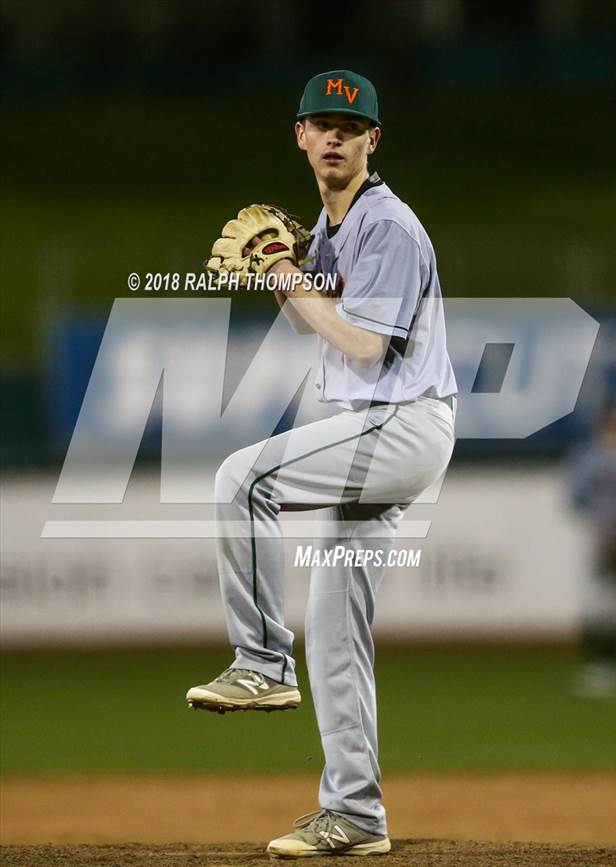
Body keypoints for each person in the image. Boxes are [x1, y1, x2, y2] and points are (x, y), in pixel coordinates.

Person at [187, 69, 457, 858]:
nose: (334, 135)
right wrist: (290, 267)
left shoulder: (389, 226)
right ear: (300, 136)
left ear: (373, 140)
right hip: (375, 427)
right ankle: (357, 812)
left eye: (350, 125)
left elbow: (364, 342)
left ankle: (260, 660)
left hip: (401, 424)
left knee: (243, 476)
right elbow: (314, 323)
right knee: (336, 628)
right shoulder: (334, 227)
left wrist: (279, 267)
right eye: (321, 123)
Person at [568, 408, 616, 698]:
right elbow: (576, 495)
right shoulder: (588, 458)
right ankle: (596, 661)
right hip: (595, 535)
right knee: (596, 597)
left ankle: (614, 660)